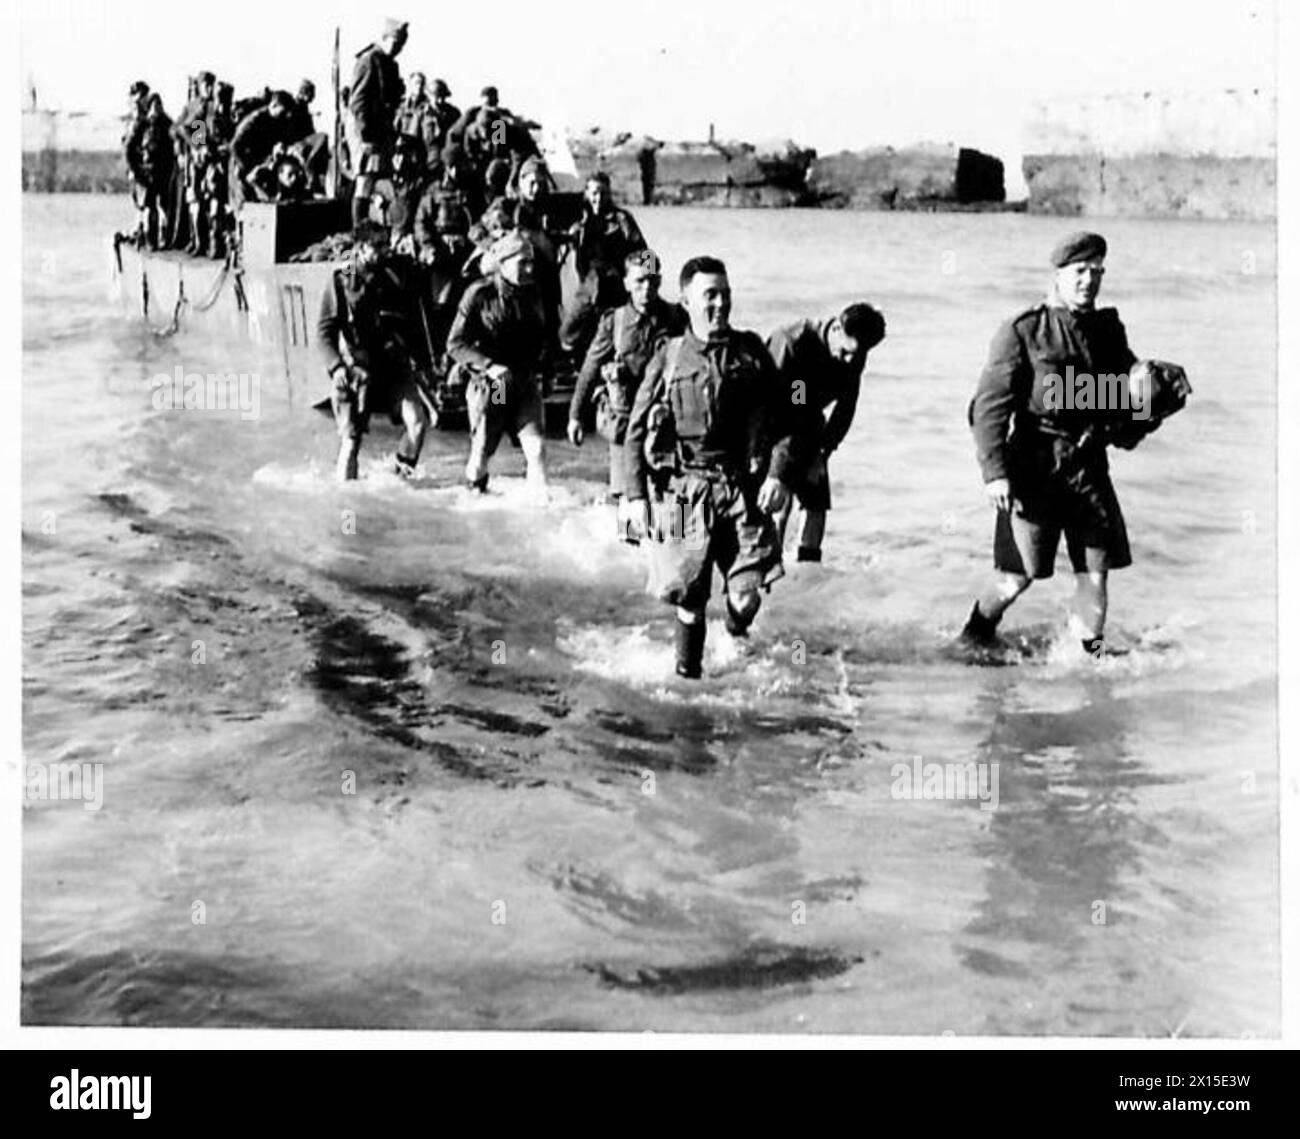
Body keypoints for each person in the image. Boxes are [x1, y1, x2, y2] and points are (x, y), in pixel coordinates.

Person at [958, 231, 1191, 657]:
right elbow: (988, 408)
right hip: (1033, 467)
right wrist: (995, 474)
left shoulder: (1107, 331)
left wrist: (1150, 405)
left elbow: (1124, 401)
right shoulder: (1024, 331)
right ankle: (975, 634)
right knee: (1016, 578)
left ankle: (1090, 656)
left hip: (1088, 467)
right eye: (1080, 272)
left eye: (1097, 272)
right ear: (1059, 274)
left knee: (1096, 573)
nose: (1090, 280)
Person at [623, 256, 797, 679]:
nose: (720, 304)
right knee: (688, 596)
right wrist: (634, 498)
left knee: (747, 595)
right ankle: (689, 680)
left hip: (741, 488)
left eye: (726, 294)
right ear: (685, 301)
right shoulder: (669, 356)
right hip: (682, 492)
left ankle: (736, 636)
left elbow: (785, 421)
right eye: (710, 296)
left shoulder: (751, 352)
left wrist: (777, 472)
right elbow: (633, 431)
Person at [765, 303, 887, 562]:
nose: (850, 360)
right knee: (778, 503)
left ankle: (807, 573)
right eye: (844, 352)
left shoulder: (856, 351)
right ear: (836, 328)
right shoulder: (793, 342)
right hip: (774, 424)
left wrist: (823, 453)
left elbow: (846, 408)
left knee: (816, 505)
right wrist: (780, 469)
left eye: (858, 355)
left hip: (809, 423)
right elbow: (783, 409)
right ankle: (767, 569)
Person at [315, 223, 433, 481]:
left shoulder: (395, 276)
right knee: (351, 442)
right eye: (376, 245)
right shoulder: (343, 280)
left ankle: (401, 482)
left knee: (418, 423)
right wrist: (336, 368)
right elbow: (324, 334)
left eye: (386, 243)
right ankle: (348, 505)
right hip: (357, 369)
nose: (384, 250)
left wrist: (424, 365)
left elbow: (413, 325)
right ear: (360, 248)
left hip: (393, 367)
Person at [567, 250, 686, 500]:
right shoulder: (614, 322)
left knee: (678, 494)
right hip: (624, 422)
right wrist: (575, 416)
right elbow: (590, 367)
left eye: (653, 281)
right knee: (627, 498)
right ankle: (630, 538)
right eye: (640, 281)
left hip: (664, 421)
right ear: (627, 283)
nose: (647, 288)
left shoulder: (676, 318)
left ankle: (679, 539)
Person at [446, 231, 551, 496]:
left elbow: (544, 337)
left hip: (524, 381)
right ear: (503, 263)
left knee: (536, 449)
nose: (528, 268)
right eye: (521, 262)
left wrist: (546, 371)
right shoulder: (480, 294)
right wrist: (489, 365)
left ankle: (538, 511)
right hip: (496, 385)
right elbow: (455, 344)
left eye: (530, 261)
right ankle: (474, 498)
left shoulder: (535, 292)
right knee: (484, 449)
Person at [560, 172, 647, 369]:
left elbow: (642, 249)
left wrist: (647, 275)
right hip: (585, 286)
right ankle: (575, 365)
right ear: (586, 194)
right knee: (568, 332)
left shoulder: (622, 219)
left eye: (604, 193)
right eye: (594, 193)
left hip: (614, 285)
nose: (599, 198)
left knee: (613, 331)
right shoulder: (578, 220)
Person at [349, 18, 408, 227]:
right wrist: (365, 135)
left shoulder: (390, 65)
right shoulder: (368, 61)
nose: (399, 49)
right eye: (395, 43)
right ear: (383, 38)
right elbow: (358, 102)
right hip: (368, 131)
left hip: (383, 131)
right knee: (365, 181)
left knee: (381, 183)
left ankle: (378, 234)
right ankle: (361, 235)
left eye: (402, 44)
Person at [171, 70, 216, 254]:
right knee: (195, 201)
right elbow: (179, 129)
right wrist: (196, 146)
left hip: (210, 160)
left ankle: (204, 241)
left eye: (211, 85)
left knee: (208, 201)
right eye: (206, 85)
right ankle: (197, 240)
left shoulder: (212, 105)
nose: (209, 88)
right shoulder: (195, 107)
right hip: (196, 161)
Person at [229, 90, 299, 206]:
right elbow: (235, 146)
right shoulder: (254, 120)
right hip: (242, 167)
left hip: (259, 167)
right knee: (243, 208)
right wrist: (247, 169)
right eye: (283, 111)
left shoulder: (279, 120)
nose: (287, 115)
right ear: (273, 106)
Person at [136, 93, 176, 249]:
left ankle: (166, 237)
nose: (157, 109)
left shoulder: (168, 123)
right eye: (155, 105)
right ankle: (151, 239)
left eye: (159, 105)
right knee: (150, 206)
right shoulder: (144, 125)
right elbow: (133, 147)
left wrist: (195, 148)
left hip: (164, 170)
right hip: (149, 171)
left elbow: (184, 136)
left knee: (165, 205)